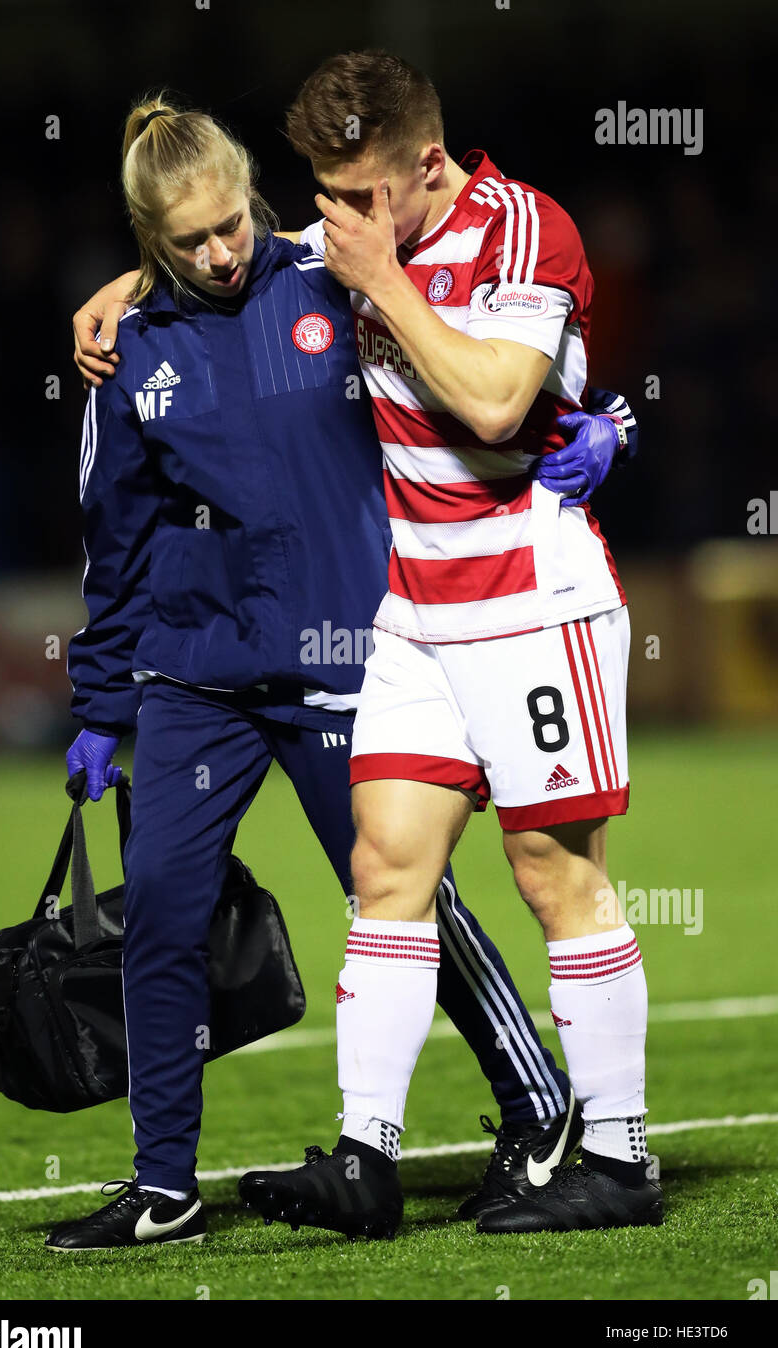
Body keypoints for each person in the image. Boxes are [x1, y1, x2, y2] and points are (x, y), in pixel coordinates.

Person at [52, 93, 634, 1250]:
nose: (219, 253)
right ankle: (163, 1182)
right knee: (161, 918)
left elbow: (499, 356)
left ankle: (534, 1116)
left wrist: (604, 419)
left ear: (253, 200)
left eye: (230, 224)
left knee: (404, 900)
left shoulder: (334, 274)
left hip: (344, 656)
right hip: (193, 676)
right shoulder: (127, 355)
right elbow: (111, 542)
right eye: (185, 244)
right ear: (146, 244)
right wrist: (101, 707)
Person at [237, 50, 661, 1238]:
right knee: (385, 869)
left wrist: (384, 281)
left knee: (550, 874)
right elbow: (235, 263)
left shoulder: (522, 228)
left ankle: (619, 1158)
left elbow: (492, 404)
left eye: (364, 190)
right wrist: (127, 288)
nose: (343, 216)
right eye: (325, 192)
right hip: (415, 614)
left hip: (531, 601)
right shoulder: (349, 232)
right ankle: (366, 1158)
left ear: (428, 161)